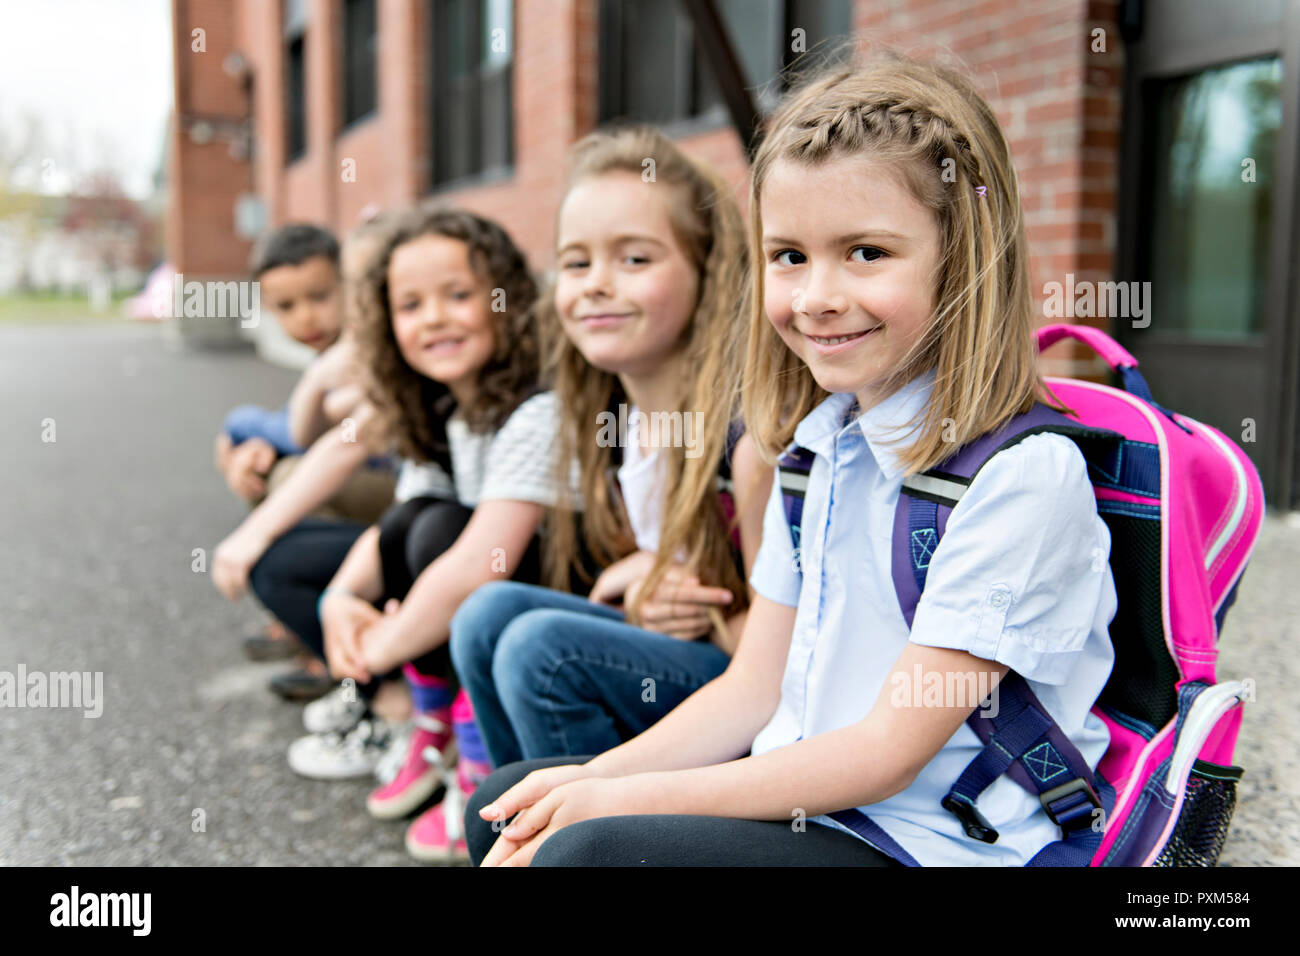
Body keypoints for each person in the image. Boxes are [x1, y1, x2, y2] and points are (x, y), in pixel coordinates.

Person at [463, 53, 1117, 868]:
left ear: (964, 257)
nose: (816, 296)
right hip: (813, 799)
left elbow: (887, 754)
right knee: (508, 808)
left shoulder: (1021, 476)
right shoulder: (818, 450)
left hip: (930, 839)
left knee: (584, 851)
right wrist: (589, 782)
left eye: (867, 253)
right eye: (790, 256)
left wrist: (613, 801)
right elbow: (752, 689)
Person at [447, 125, 771, 771]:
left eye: (634, 259)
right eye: (576, 262)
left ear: (708, 273)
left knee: (543, 650)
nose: (596, 283)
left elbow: (789, 659)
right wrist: (645, 574)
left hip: (750, 696)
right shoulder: (613, 421)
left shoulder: (746, 437)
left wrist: (689, 611)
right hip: (688, 662)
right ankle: (523, 822)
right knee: (486, 614)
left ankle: (593, 837)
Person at [276, 202, 571, 864]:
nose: (433, 317)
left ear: (505, 299)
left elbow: (474, 566)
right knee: (417, 519)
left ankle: (474, 740)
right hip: (486, 591)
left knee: (442, 532)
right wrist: (340, 601)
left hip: (549, 598)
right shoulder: (443, 410)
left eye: (458, 295)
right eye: (410, 305)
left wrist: (379, 646)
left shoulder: (538, 409)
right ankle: (433, 721)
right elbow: (393, 530)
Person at [213, 216, 398, 697]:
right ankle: (304, 612)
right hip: (386, 495)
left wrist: (239, 429)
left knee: (288, 469)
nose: (306, 318)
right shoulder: (334, 352)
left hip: (403, 497)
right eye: (286, 307)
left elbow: (307, 432)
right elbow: (302, 425)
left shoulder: (364, 347)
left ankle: (328, 628)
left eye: (320, 297)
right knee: (267, 462)